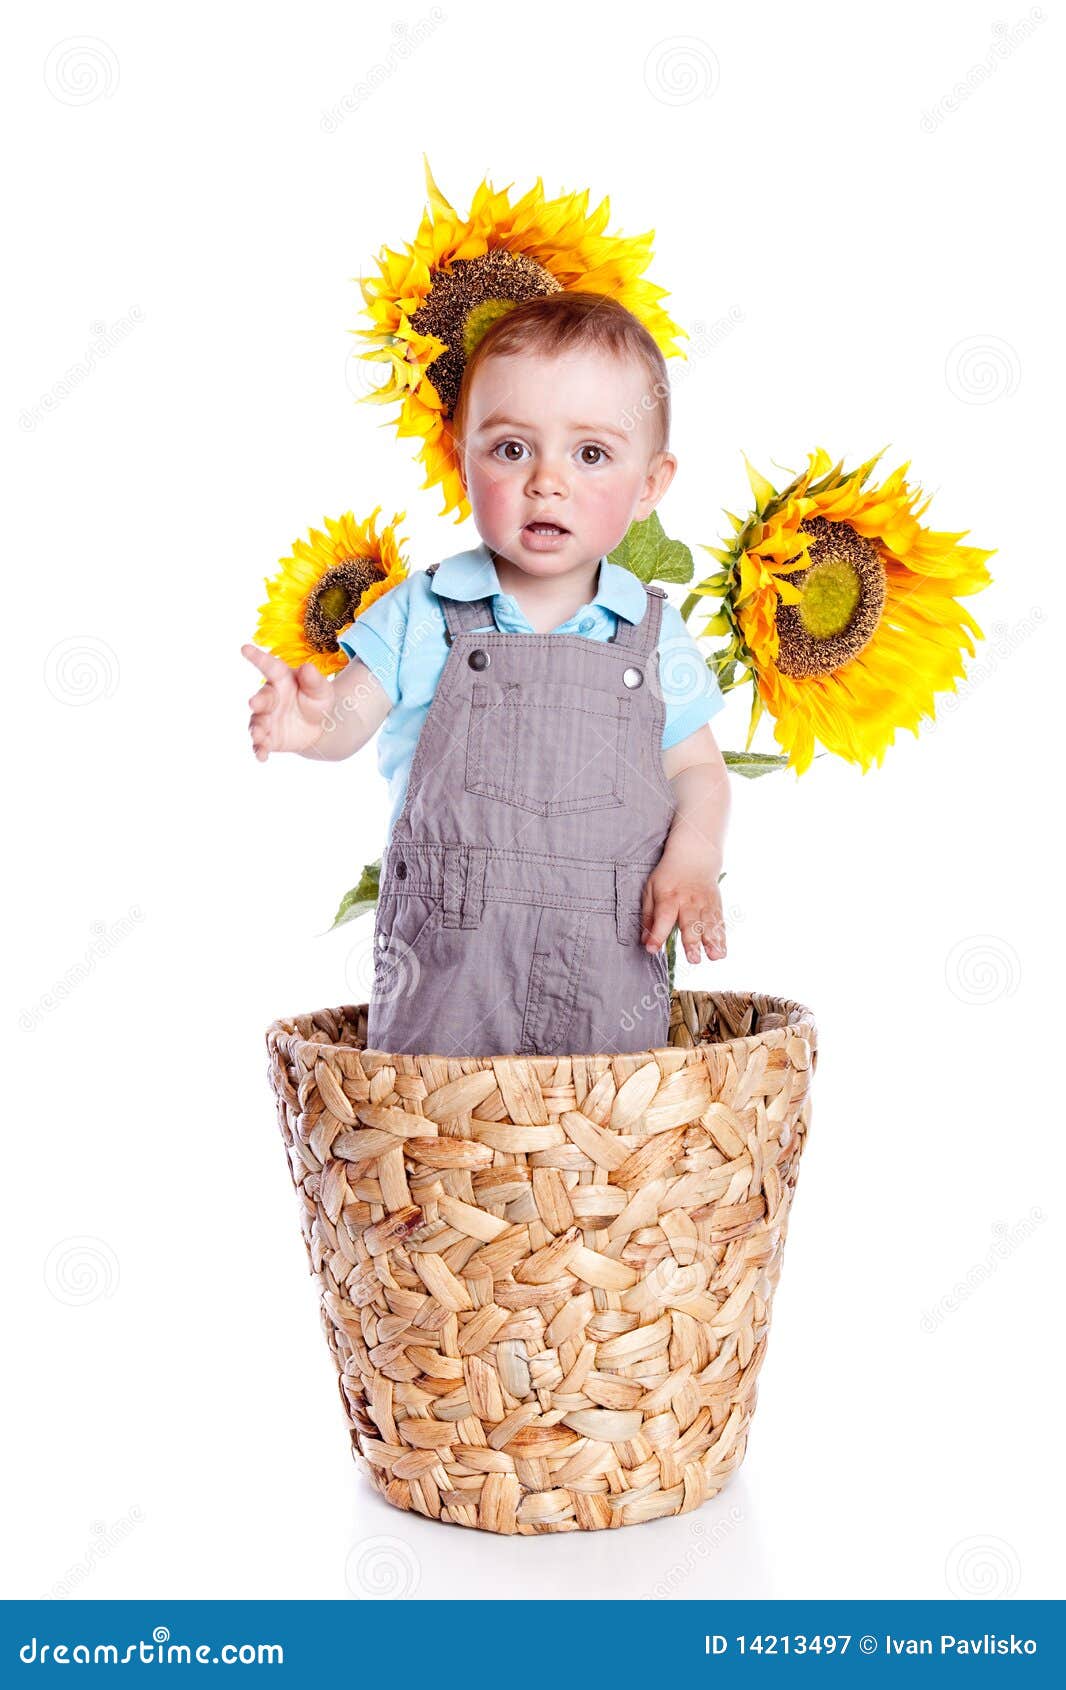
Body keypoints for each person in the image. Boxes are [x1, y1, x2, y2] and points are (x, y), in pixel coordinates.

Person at [243, 292, 731, 1057]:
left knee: (597, 1150)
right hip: (446, 979)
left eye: (591, 454)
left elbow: (699, 770)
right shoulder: (423, 611)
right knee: (440, 1148)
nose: (547, 481)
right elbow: (350, 715)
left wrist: (692, 862)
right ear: (462, 458)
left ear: (650, 486)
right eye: (511, 449)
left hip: (606, 974)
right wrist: (311, 723)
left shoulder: (654, 634)